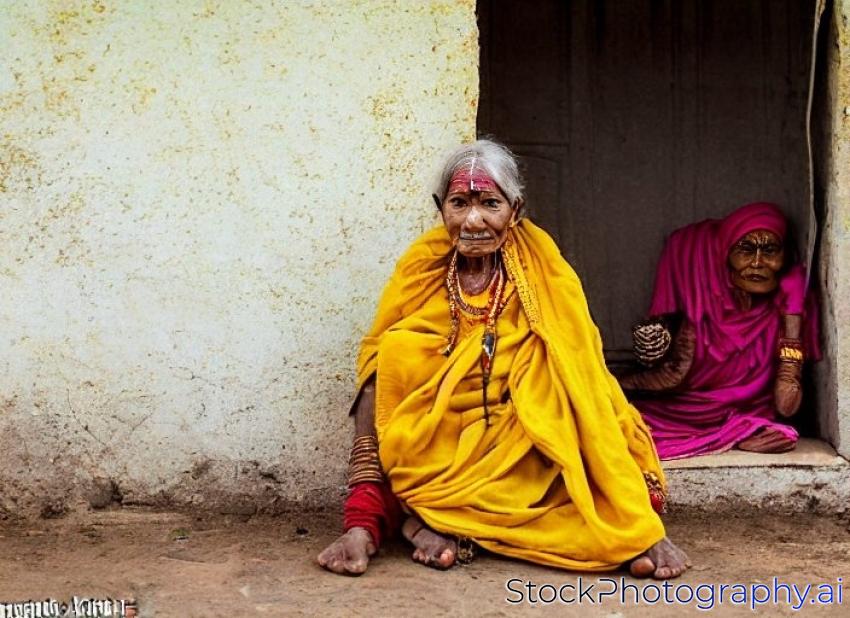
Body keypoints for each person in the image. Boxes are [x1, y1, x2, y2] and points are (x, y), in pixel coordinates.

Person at [317, 139, 689, 578]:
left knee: (565, 423)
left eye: (489, 203)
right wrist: (360, 515)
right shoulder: (421, 266)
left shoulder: (544, 269)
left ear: (516, 208)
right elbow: (377, 360)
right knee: (390, 356)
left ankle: (437, 524)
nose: (473, 220)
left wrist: (642, 523)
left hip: (528, 445)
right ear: (441, 208)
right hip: (434, 452)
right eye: (459, 203)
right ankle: (384, 519)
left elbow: (584, 377)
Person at [619, 202, 820, 459]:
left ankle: (732, 435)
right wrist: (615, 384)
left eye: (770, 250)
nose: (758, 263)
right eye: (745, 250)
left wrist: (793, 310)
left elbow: (787, 406)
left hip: (740, 419)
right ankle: (727, 437)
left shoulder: (775, 316)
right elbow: (671, 377)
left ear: (784, 258)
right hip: (677, 414)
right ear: (725, 254)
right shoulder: (703, 312)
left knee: (784, 436)